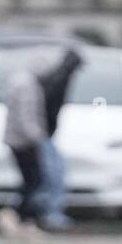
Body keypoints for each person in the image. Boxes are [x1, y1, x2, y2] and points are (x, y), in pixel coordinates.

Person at [0, 56, 47, 236]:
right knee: (34, 180)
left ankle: (23, 218)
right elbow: (26, 116)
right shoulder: (27, 84)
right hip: (23, 140)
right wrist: (37, 138)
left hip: (16, 138)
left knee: (30, 180)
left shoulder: (17, 80)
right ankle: (17, 215)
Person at [33, 48, 83, 231]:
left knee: (51, 176)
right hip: (43, 135)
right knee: (53, 177)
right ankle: (50, 215)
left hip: (44, 134)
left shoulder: (55, 79)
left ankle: (47, 214)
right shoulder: (57, 81)